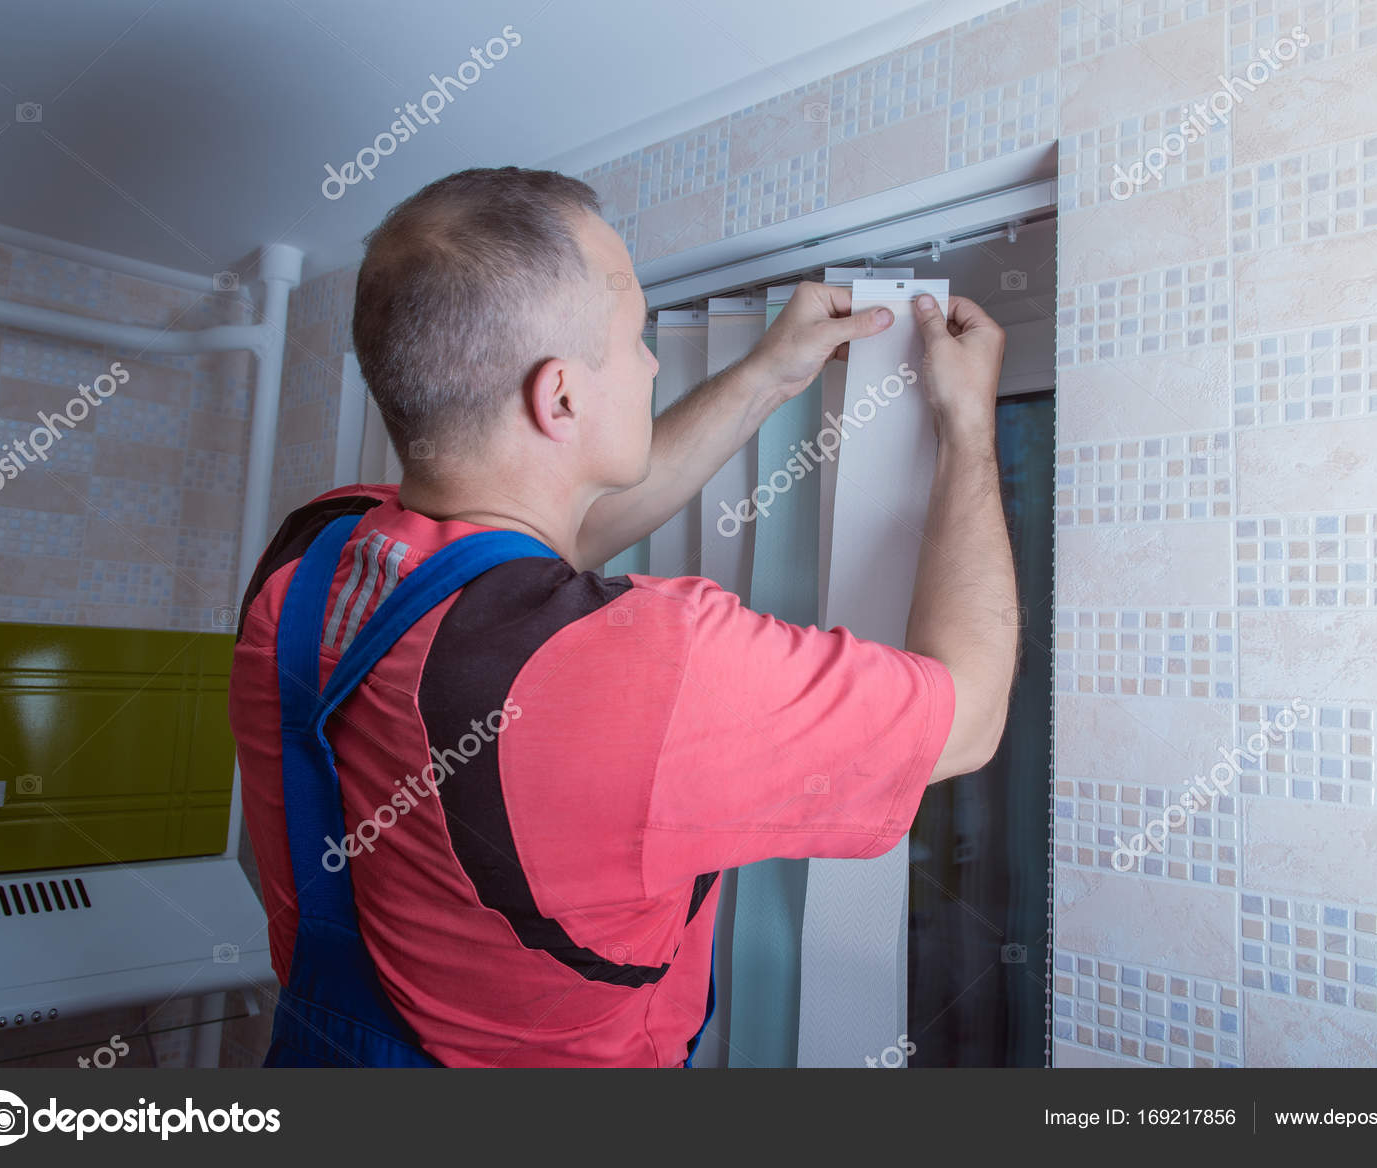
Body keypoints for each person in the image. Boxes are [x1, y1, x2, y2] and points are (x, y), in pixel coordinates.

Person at [227, 166, 1019, 1067]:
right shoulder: (656, 666)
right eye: (639, 334)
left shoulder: (311, 552)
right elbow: (971, 712)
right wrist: (968, 427)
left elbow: (542, 544)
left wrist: (766, 374)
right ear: (559, 396)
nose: (649, 361)